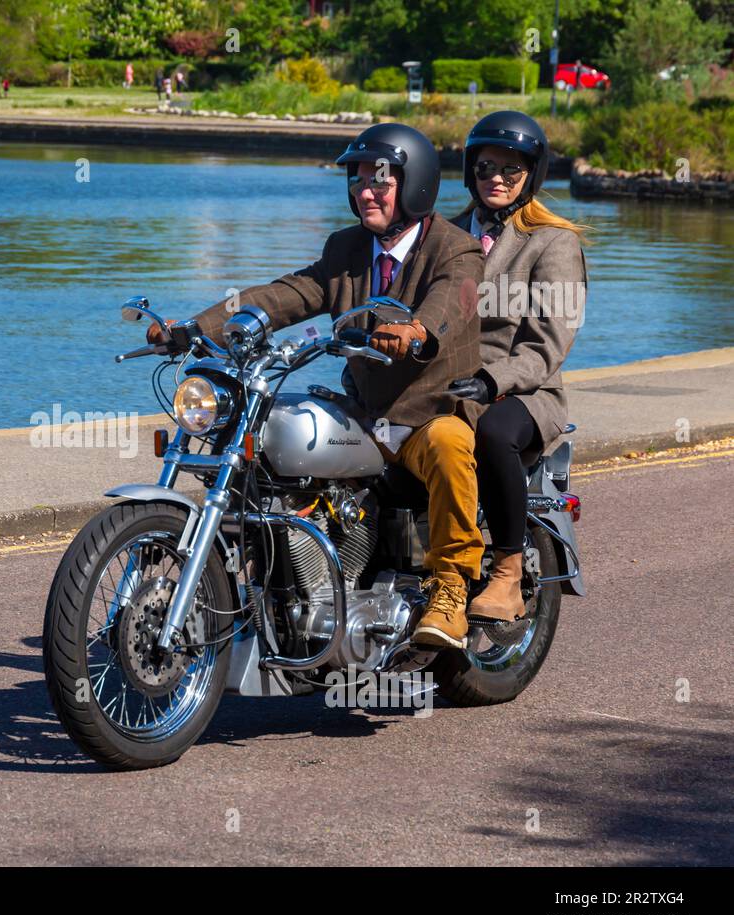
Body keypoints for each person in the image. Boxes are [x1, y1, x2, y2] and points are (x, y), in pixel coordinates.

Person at [150, 123, 486, 649]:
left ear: (414, 184)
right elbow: (285, 294)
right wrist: (194, 327)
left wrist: (415, 330)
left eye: (379, 180)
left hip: (429, 413)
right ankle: (282, 583)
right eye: (356, 180)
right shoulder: (347, 249)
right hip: (365, 414)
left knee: (448, 445)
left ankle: (449, 592)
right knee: (265, 443)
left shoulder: (457, 250)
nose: (364, 191)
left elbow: (451, 301)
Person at [447, 111, 587, 621]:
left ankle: (506, 573)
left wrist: (492, 381)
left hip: (526, 393)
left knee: (493, 434)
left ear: (533, 175)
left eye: (511, 170)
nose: (497, 179)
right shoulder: (440, 234)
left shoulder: (553, 243)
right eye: (486, 168)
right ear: (470, 171)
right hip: (446, 386)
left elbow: (550, 341)